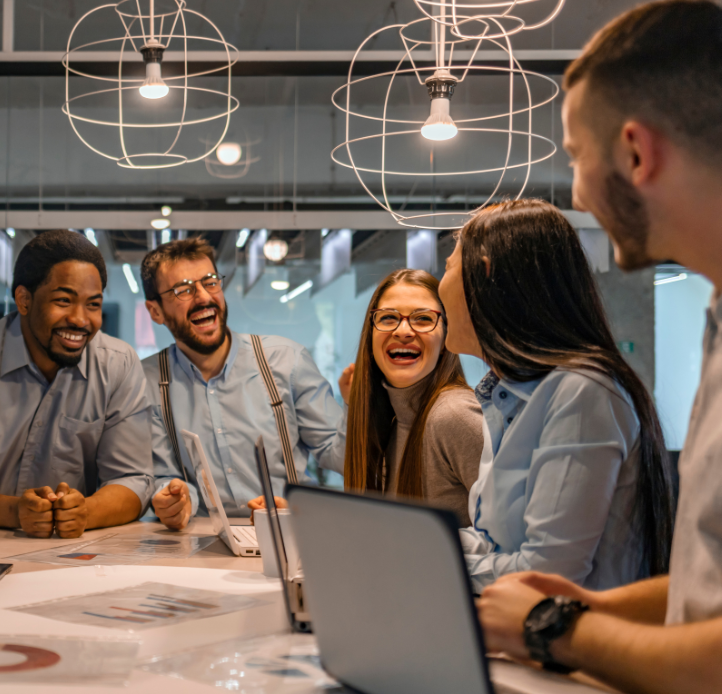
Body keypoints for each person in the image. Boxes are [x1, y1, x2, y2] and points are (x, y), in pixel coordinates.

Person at [475, 3, 722, 692]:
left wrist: (555, 629)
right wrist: (593, 607)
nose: (576, 189)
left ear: (635, 152)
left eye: (576, 157)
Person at [438, 198, 674, 593]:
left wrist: (432, 566)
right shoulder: (508, 397)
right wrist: (419, 543)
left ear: (484, 274)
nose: (438, 285)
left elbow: (548, 575)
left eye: (447, 266)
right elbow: (496, 543)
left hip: (579, 650)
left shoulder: (582, 392)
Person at [0, 230, 154, 538]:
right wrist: (17, 512)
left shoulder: (119, 364)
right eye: (63, 301)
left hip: (78, 549)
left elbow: (133, 479)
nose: (80, 320)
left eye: (93, 304)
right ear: (24, 300)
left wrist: (85, 512)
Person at [140, 237, 347, 530]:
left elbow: (337, 454)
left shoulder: (286, 361)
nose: (203, 297)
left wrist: (357, 404)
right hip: (202, 543)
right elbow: (161, 475)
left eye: (210, 282)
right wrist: (173, 499)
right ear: (155, 311)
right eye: (183, 290)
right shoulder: (146, 383)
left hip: (291, 531)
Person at [339, 269, 483, 527]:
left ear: (445, 340)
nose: (403, 331)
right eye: (388, 318)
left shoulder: (454, 415)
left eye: (423, 319)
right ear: (370, 336)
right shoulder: (394, 418)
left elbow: (512, 537)